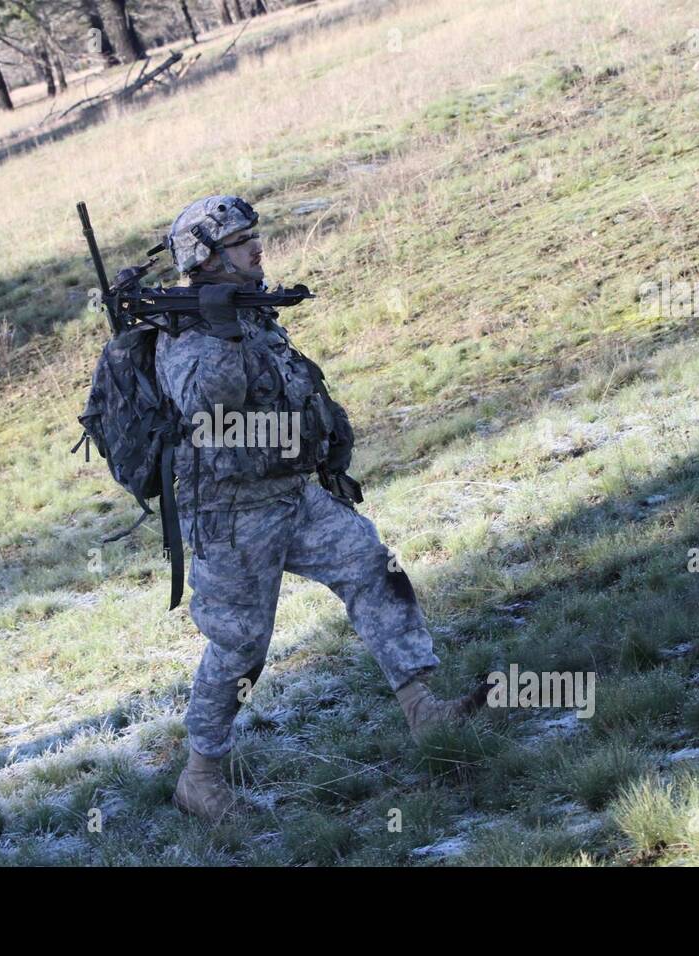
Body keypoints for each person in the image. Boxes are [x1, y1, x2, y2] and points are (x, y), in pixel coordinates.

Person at [154, 195, 484, 823]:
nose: (257, 248)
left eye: (256, 236)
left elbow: (292, 386)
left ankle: (424, 708)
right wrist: (220, 332)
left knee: (369, 564)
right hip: (231, 513)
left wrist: (325, 438)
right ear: (207, 258)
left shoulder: (252, 312)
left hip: (292, 493)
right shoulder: (185, 329)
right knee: (241, 645)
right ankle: (199, 777)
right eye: (242, 241)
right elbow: (211, 414)